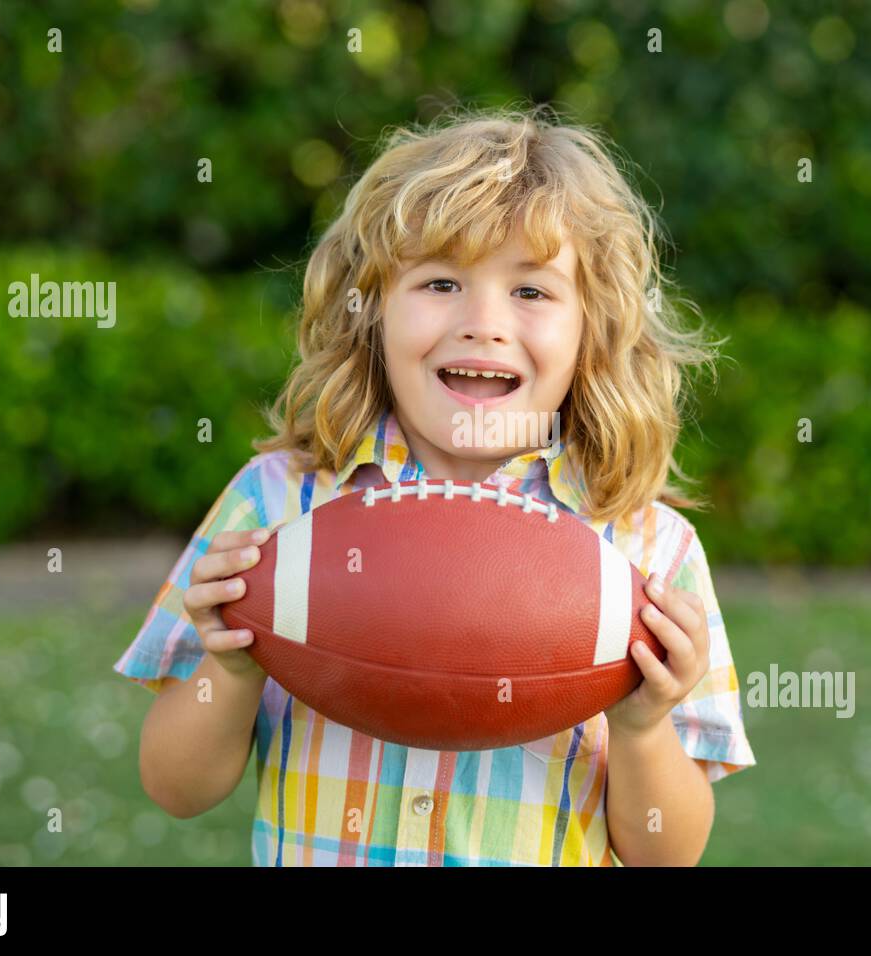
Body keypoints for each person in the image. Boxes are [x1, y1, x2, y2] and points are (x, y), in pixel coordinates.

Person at [114, 104, 755, 866]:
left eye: (532, 292)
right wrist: (231, 665)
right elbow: (175, 789)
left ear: (597, 326)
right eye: (442, 282)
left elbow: (668, 856)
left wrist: (644, 726)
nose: (483, 322)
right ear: (371, 312)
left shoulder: (646, 552)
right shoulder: (277, 505)